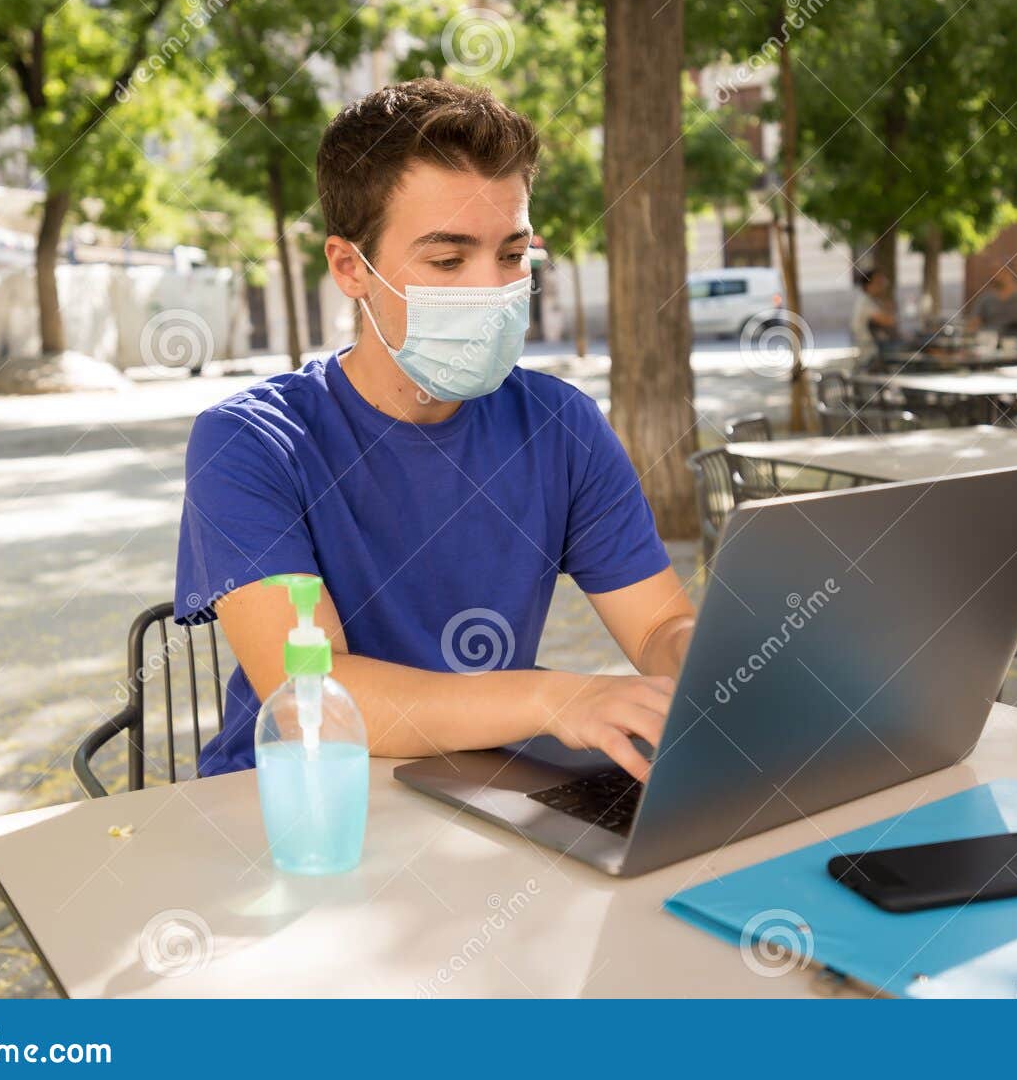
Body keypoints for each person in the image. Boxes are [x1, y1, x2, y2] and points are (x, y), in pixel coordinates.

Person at [175, 79, 696, 782]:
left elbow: (661, 627)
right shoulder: (248, 442)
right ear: (350, 268)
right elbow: (316, 700)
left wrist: (723, 673)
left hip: (482, 788)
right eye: (448, 261)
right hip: (301, 803)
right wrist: (557, 697)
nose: (490, 292)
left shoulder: (560, 425)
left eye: (511, 256)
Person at [965, 268, 1017, 344]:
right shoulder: (985, 298)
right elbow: (973, 323)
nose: (993, 275)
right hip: (991, 343)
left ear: (1009, 273)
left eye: (998, 271)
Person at [849, 266, 897, 368]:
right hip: (871, 350)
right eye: (878, 283)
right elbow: (889, 321)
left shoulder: (869, 300)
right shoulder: (865, 302)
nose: (882, 286)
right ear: (868, 285)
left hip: (877, 347)